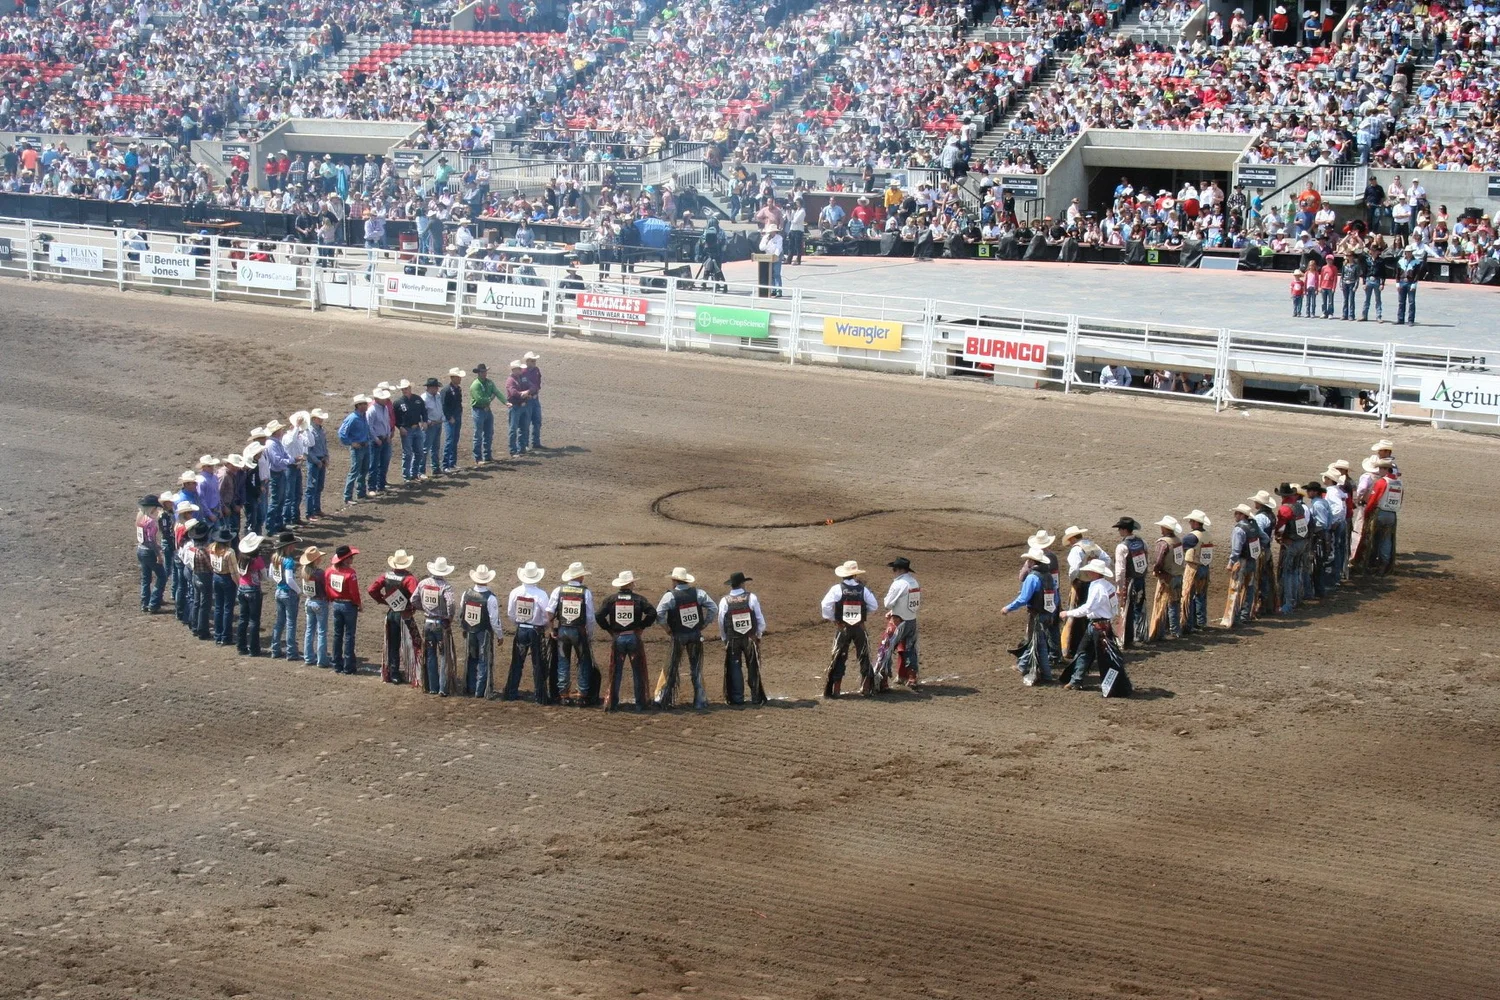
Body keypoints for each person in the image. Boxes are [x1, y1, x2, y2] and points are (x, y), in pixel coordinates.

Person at [654, 567, 718, 709]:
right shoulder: (699, 593)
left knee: (671, 666)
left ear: (674, 581)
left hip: (678, 635)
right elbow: (713, 608)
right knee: (696, 667)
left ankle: (663, 698)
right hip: (695, 634)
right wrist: (704, 624)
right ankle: (700, 700)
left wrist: (667, 629)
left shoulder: (670, 596)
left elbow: (659, 613)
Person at [595, 569, 658, 711]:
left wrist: (609, 629)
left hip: (618, 638)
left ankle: (612, 703)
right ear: (631, 584)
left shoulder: (611, 599)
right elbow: (652, 613)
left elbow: (599, 615)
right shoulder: (639, 599)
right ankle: (641, 703)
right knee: (638, 671)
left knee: (615, 671)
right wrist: (642, 626)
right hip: (634, 637)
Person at [1059, 558, 1125, 693]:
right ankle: (1076, 680)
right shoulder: (1109, 587)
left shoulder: (1097, 588)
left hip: (1097, 627)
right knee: (1085, 652)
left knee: (1100, 657)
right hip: (1102, 626)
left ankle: (1109, 685)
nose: (1088, 572)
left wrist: (1068, 613)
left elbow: (1087, 608)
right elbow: (1114, 608)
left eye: (1090, 570)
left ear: (1095, 572)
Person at [820, 560, 879, 698]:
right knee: (864, 656)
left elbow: (825, 605)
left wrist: (834, 620)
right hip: (859, 628)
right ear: (855, 575)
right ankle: (866, 687)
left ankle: (836, 689)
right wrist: (863, 613)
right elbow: (874, 606)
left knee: (839, 656)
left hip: (843, 628)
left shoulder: (836, 589)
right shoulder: (863, 589)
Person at [1002, 546, 1059, 685]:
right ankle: (1029, 668)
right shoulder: (1049, 577)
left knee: (1038, 643)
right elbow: (1055, 597)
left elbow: (1023, 598)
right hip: (1047, 614)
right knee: (1039, 643)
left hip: (1037, 615)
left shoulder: (1032, 577)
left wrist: (1008, 608)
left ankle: (1045, 674)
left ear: (1033, 561)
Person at [369, 549, 422, 685]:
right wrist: (412, 608)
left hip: (392, 613)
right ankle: (415, 673)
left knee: (393, 644)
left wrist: (383, 600)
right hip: (404, 615)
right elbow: (415, 596)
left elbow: (372, 590)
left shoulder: (386, 576)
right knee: (415, 643)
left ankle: (394, 673)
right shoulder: (409, 579)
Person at [548, 562, 598, 706]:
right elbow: (590, 617)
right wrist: (589, 635)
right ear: (581, 577)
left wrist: (552, 629)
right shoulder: (585, 592)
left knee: (563, 661)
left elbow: (550, 611)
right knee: (583, 661)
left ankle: (563, 694)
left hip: (563, 629)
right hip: (579, 631)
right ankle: (582, 694)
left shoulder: (559, 590)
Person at [505, 561, 552, 702]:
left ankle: (511, 692)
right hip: (535, 631)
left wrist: (519, 624)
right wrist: (544, 626)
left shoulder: (515, 592)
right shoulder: (541, 594)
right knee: (538, 663)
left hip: (521, 629)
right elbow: (546, 615)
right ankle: (540, 695)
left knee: (517, 662)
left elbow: (511, 613)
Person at [718, 571, 767, 705]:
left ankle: (737, 698)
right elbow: (759, 619)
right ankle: (756, 697)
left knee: (734, 668)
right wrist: (758, 635)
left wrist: (724, 638)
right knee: (753, 666)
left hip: (733, 639)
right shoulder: (751, 598)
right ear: (742, 583)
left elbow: (721, 622)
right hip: (750, 638)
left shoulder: (724, 601)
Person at [1059, 527, 1107, 658]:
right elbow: (1107, 560)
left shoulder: (1076, 550)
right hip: (1094, 582)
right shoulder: (1093, 546)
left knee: (1076, 614)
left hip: (1081, 584)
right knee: (1092, 612)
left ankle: (1074, 647)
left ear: (1072, 538)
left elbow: (1074, 568)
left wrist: (1073, 580)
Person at [416, 556, 460, 695]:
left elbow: (413, 599)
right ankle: (443, 687)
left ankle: (432, 687)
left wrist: (425, 609)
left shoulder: (423, 583)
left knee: (430, 654)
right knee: (443, 655)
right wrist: (449, 617)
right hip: (440, 624)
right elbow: (451, 604)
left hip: (428, 623)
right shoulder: (446, 587)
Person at [876, 557, 921, 690]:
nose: (893, 572)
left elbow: (887, 603)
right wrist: (894, 610)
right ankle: (911, 677)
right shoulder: (914, 582)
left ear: (899, 570)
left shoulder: (898, 584)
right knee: (910, 648)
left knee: (886, 649)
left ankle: (883, 680)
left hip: (898, 622)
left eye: (894, 569)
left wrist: (893, 610)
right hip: (911, 620)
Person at [460, 564, 503, 698]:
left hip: (470, 630)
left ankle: (471, 687)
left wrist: (464, 627)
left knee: (472, 657)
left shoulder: (466, 593)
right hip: (483, 631)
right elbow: (494, 620)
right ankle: (481, 689)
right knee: (484, 659)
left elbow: (463, 611)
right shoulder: (490, 598)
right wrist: (499, 635)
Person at [1220, 504, 1259, 628]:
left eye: (1236, 513)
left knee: (1236, 587)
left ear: (1242, 515)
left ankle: (1234, 617)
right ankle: (1245, 615)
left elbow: (1236, 550)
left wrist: (1231, 563)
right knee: (1249, 587)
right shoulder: (1254, 526)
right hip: (1252, 560)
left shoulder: (1239, 529)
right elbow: (1263, 538)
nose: (1235, 515)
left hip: (1242, 561)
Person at [1112, 518, 1149, 648]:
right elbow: (1146, 558)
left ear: (1124, 530)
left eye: (1120, 529)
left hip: (1129, 581)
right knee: (1139, 605)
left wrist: (1119, 586)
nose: (1118, 531)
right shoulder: (1142, 542)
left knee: (1125, 608)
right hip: (1140, 578)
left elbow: (1120, 569)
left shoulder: (1122, 547)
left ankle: (1125, 638)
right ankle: (1140, 634)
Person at [326, 545, 362, 675]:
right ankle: (348, 666)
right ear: (346, 559)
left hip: (336, 604)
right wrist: (358, 604)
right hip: (348, 606)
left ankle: (337, 664)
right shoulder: (351, 573)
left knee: (337, 634)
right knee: (349, 635)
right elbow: (354, 592)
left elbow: (328, 587)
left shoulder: (330, 571)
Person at [1274, 483, 1310, 614]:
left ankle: (1288, 604)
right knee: (1295, 572)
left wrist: (1278, 535)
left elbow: (1281, 528)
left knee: (1288, 573)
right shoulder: (1299, 506)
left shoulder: (1285, 509)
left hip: (1291, 543)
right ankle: (1296, 599)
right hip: (1302, 541)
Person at [1147, 516, 1184, 641]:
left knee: (1163, 602)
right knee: (1175, 602)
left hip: (1167, 576)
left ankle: (1161, 631)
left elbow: (1158, 561)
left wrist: (1156, 571)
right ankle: (1175, 630)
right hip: (1178, 574)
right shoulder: (1178, 540)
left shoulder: (1163, 543)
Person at [1364, 459, 1402, 574]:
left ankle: (1370, 563)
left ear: (1386, 469)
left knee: (1373, 538)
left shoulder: (1382, 482)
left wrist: (1367, 512)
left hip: (1380, 513)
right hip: (1392, 514)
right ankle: (1384, 564)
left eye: (1381, 468)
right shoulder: (1399, 483)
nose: (1379, 471)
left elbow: (1373, 500)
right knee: (1386, 540)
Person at [1179, 511, 1213, 635]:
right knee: (1201, 595)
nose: (1190, 523)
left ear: (1196, 522)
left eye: (1192, 521)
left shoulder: (1191, 537)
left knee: (1188, 595)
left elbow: (1182, 547)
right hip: (1205, 567)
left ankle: (1189, 623)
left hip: (1193, 568)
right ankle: (1201, 622)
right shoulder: (1208, 535)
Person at [269, 531, 301, 660]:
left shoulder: (275, 558)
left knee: (279, 622)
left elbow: (271, 575)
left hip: (278, 591)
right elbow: (289, 579)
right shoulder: (289, 561)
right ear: (288, 546)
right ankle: (291, 652)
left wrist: (279, 583)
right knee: (291, 623)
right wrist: (298, 591)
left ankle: (275, 649)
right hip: (288, 593)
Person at [235, 532, 267, 656]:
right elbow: (264, 576)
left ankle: (241, 646)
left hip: (242, 589)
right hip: (253, 591)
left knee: (243, 619)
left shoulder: (241, 558)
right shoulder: (258, 560)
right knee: (254, 621)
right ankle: (254, 649)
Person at [206, 526, 240, 646]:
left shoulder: (211, 548)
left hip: (216, 577)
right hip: (227, 579)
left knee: (219, 608)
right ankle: (226, 636)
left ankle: (218, 634)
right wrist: (239, 584)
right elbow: (234, 571)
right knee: (227, 609)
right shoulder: (229, 552)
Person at [299, 545, 331, 668]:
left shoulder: (304, 571)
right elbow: (326, 587)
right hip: (320, 602)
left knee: (309, 630)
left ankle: (308, 657)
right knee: (321, 631)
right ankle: (322, 660)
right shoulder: (320, 573)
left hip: (309, 601)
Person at [1249, 491, 1280, 617]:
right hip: (1267, 549)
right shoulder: (1271, 515)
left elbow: (1259, 534)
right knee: (1266, 576)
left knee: (1258, 577)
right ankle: (1267, 604)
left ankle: (1258, 606)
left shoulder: (1260, 518)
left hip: (1261, 550)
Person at [135, 495, 167, 613]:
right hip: (149, 551)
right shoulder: (151, 522)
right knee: (162, 576)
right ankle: (154, 602)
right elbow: (152, 540)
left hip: (140, 549)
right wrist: (158, 554)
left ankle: (145, 602)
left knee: (146, 577)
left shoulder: (140, 517)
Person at [338, 395, 373, 505]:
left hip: (365, 446)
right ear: (358, 406)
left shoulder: (363, 416)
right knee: (355, 472)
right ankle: (347, 496)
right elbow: (341, 433)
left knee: (363, 470)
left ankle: (361, 493)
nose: (366, 406)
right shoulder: (352, 418)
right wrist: (351, 443)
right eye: (364, 404)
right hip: (357, 448)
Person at [393, 379, 427, 482]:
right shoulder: (398, 402)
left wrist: (424, 421)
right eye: (403, 389)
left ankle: (414, 474)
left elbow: (424, 411)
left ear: (410, 388)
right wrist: (400, 427)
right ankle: (406, 476)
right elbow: (395, 418)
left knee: (419, 452)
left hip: (417, 427)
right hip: (406, 429)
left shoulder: (418, 399)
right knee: (407, 453)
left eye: (406, 388)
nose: (404, 390)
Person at [186, 520, 213, 641]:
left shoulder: (192, 548)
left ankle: (194, 625)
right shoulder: (204, 551)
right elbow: (210, 566)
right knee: (204, 605)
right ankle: (203, 630)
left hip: (195, 575)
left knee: (197, 601)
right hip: (204, 577)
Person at [470, 364, 499, 465]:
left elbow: (496, 392)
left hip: (485, 410)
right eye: (482, 372)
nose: (484, 373)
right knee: (478, 434)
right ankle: (478, 458)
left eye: (485, 371)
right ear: (478, 373)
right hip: (478, 410)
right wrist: (490, 399)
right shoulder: (476, 385)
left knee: (489, 433)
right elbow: (480, 399)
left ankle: (487, 455)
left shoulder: (488, 382)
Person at [304, 408, 330, 521]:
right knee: (312, 487)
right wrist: (317, 461)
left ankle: (316, 509)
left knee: (319, 486)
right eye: (320, 418)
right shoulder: (309, 431)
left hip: (321, 459)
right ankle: (309, 512)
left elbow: (324, 445)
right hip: (314, 461)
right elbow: (308, 451)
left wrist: (326, 457)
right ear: (314, 419)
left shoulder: (321, 430)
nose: (321, 420)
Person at [504, 360, 531, 458]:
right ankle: (513, 450)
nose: (521, 370)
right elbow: (513, 392)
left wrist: (527, 392)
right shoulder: (510, 380)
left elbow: (529, 386)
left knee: (523, 428)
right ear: (514, 369)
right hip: (515, 406)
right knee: (513, 429)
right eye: (519, 368)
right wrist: (523, 394)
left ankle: (521, 448)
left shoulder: (521, 378)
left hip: (521, 405)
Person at [441, 368, 466, 472]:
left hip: (457, 416)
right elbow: (443, 405)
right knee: (450, 440)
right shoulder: (446, 390)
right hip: (450, 418)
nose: (460, 379)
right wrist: (449, 417)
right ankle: (445, 465)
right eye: (458, 377)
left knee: (455, 439)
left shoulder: (458, 389)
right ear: (453, 378)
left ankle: (452, 463)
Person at [420, 378, 444, 476]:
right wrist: (429, 422)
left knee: (436, 447)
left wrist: (442, 418)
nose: (437, 389)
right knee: (425, 448)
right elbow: (421, 414)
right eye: (436, 387)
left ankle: (436, 468)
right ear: (430, 388)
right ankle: (421, 470)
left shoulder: (438, 396)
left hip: (438, 423)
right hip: (430, 425)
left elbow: (441, 408)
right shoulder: (424, 398)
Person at [521, 352, 544, 450]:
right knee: (526, 422)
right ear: (527, 361)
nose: (534, 362)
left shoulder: (536, 370)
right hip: (528, 399)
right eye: (532, 360)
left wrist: (533, 390)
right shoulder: (522, 372)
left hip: (535, 398)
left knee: (537, 421)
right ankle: (525, 444)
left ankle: (536, 443)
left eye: (535, 360)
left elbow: (538, 384)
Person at [1395, 248, 1420, 325]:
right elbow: (1397, 273)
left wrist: (1414, 284)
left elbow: (1417, 274)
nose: (1408, 253)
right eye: (1407, 252)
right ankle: (1400, 319)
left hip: (1410, 282)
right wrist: (1397, 283)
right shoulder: (1400, 261)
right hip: (1402, 281)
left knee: (1411, 302)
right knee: (1401, 302)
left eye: (1410, 252)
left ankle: (1411, 320)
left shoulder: (1416, 262)